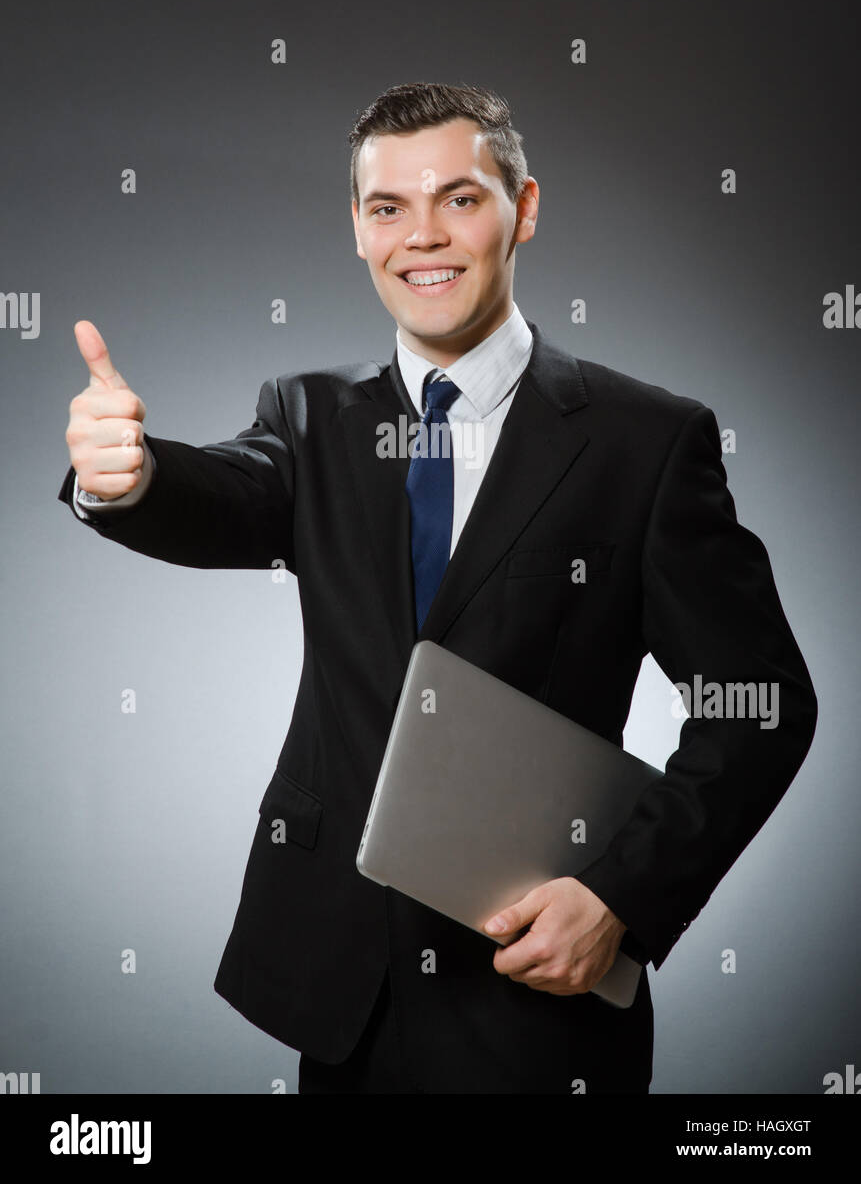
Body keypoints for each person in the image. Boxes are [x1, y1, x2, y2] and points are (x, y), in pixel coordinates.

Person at [59, 81, 817, 1094]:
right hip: (342, 992)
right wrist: (131, 476)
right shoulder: (310, 418)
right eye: (389, 208)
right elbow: (224, 496)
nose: (424, 236)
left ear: (525, 208)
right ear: (359, 231)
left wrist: (620, 897)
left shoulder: (647, 443)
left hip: (533, 991)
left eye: (460, 198)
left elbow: (760, 703)